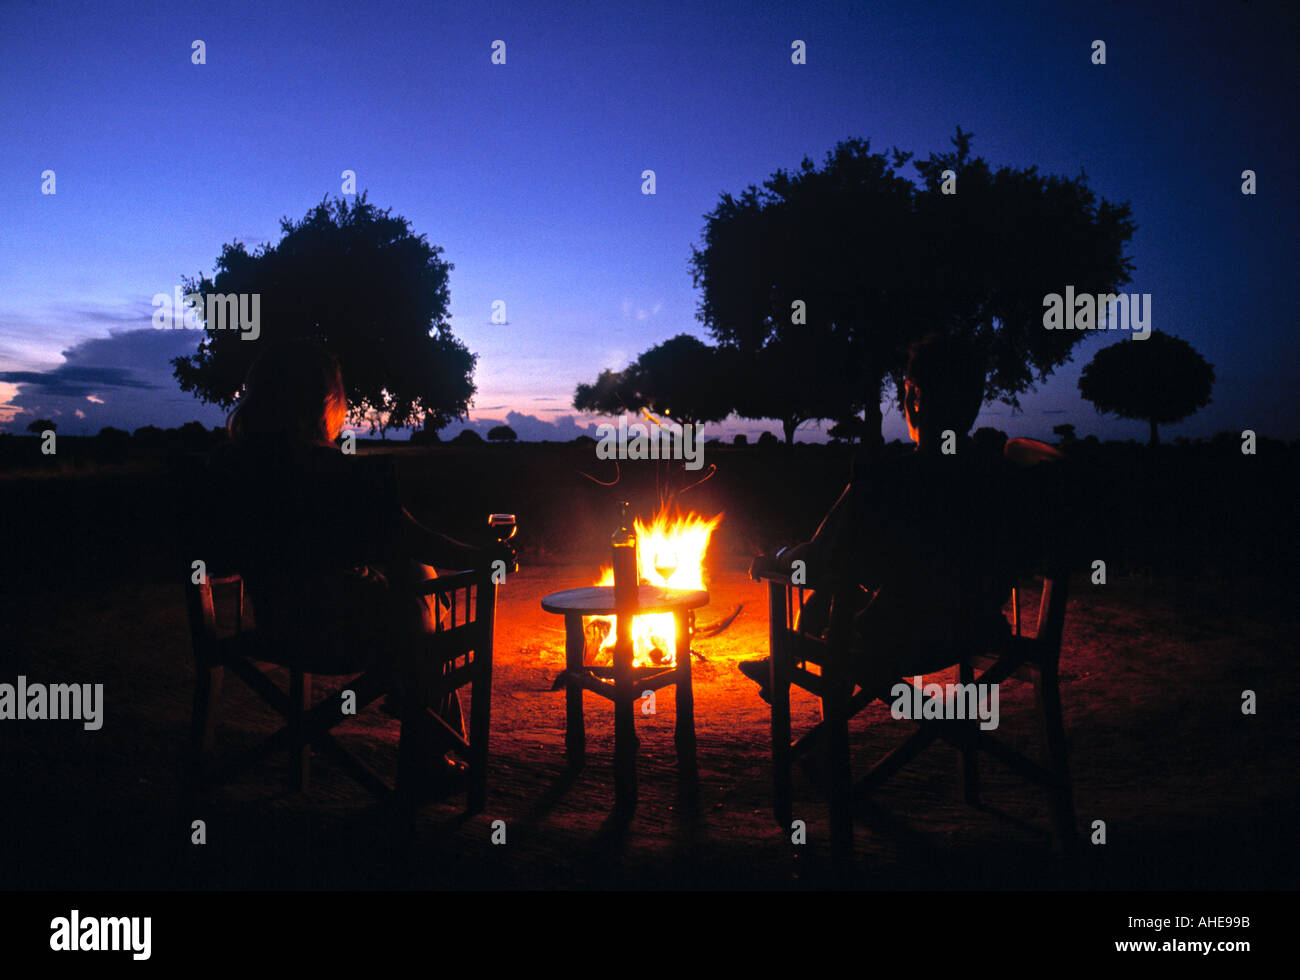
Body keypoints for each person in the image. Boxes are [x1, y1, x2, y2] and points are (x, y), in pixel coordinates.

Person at [204, 339, 511, 771]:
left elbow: (217, 558)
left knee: (413, 573)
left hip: (277, 620)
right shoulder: (338, 472)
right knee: (420, 585)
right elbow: (408, 537)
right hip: (348, 629)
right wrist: (481, 558)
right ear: (325, 401)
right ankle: (431, 747)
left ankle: (426, 735)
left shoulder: (226, 467)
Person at [742, 334, 1032, 701]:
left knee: (828, 593)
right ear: (973, 401)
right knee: (834, 594)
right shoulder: (997, 476)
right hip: (978, 628)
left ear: (914, 398)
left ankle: (788, 673)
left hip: (901, 642)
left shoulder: (886, 480)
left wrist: (777, 557)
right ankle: (785, 668)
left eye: (907, 394)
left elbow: (819, 559)